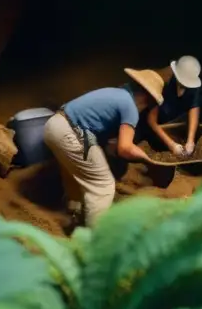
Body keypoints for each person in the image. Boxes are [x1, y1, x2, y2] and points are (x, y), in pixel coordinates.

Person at [44, 68, 164, 227]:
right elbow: (125, 148)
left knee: (75, 172)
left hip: (54, 125)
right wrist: (147, 159)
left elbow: (108, 142)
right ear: (145, 98)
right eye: (149, 104)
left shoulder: (116, 94)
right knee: (103, 186)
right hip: (70, 132)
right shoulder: (130, 106)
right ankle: (95, 239)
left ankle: (74, 212)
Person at [136, 56, 202, 158]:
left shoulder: (194, 85)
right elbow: (151, 120)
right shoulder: (162, 80)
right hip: (155, 121)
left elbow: (194, 109)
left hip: (174, 119)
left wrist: (190, 141)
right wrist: (171, 145)